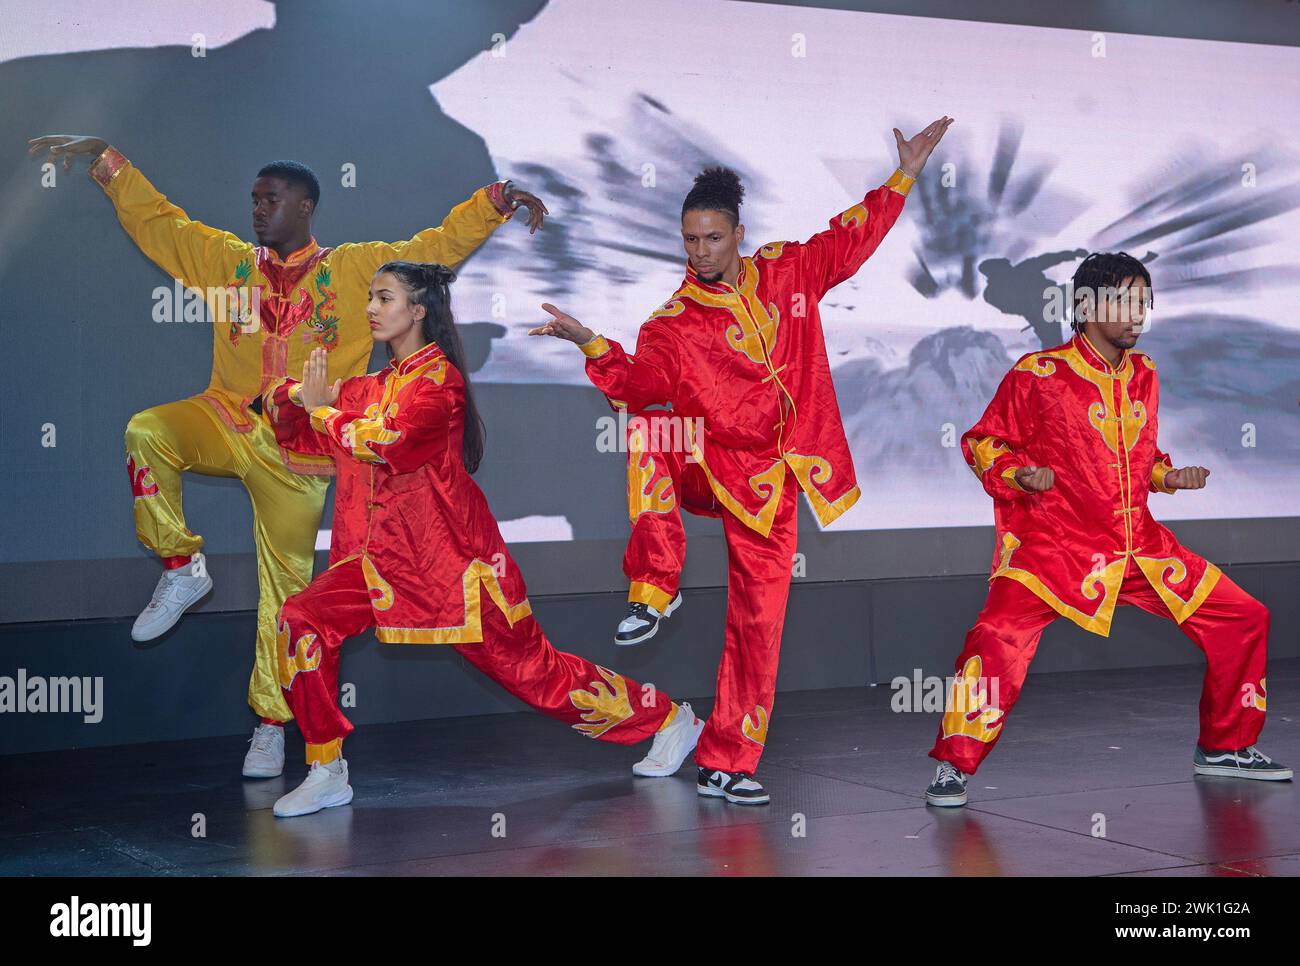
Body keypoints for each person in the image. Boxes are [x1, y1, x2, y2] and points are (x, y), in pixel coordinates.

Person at [27, 133, 547, 779]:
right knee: (146, 431)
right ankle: (182, 564)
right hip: (227, 418)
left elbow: (430, 250)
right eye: (253, 199)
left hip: (300, 454)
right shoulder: (227, 263)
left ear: (304, 207)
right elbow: (160, 223)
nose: (256, 210)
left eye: (270, 199)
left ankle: (271, 724)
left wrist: (493, 201)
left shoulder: (355, 269)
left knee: (288, 593)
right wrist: (108, 162)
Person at [531, 117, 954, 804]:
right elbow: (640, 386)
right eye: (690, 240)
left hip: (772, 479)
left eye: (711, 238)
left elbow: (851, 239)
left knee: (758, 625)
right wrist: (591, 344)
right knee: (646, 429)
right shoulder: (671, 323)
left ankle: (727, 760)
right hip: (706, 463)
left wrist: (903, 175)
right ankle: (654, 585)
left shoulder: (789, 269)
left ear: (737, 235)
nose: (698, 251)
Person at [264, 261, 704, 817]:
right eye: (371, 298)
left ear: (419, 310)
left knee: (535, 674)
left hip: (456, 568)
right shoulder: (367, 387)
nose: (372, 309)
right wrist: (290, 397)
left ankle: (667, 719)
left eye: (384, 298)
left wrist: (323, 408)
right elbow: (303, 427)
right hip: (376, 564)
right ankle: (326, 769)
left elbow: (387, 444)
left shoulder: (439, 384)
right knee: (301, 618)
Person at [925, 251, 1291, 807]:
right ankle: (954, 765)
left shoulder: (1145, 374)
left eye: (1143, 301)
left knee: (1243, 617)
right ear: (1085, 306)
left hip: (1140, 546)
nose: (1136, 314)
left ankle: (1225, 746)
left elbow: (1139, 457)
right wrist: (1018, 474)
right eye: (1123, 301)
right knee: (996, 638)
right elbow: (982, 442)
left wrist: (1170, 475)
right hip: (1054, 548)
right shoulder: (1039, 374)